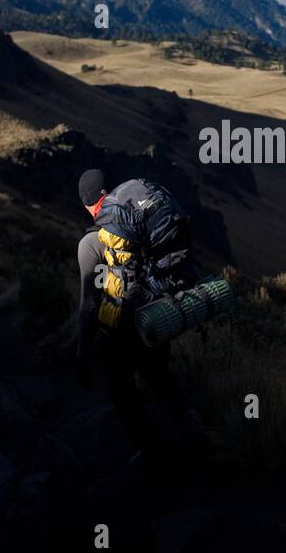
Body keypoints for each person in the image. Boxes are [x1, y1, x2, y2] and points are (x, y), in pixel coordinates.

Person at [75, 168, 208, 473]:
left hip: (121, 328)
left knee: (121, 389)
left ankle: (152, 455)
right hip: (158, 311)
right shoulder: (138, 216)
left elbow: (88, 304)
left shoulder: (90, 244)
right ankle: (194, 427)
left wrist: (83, 351)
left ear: (88, 204)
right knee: (160, 374)